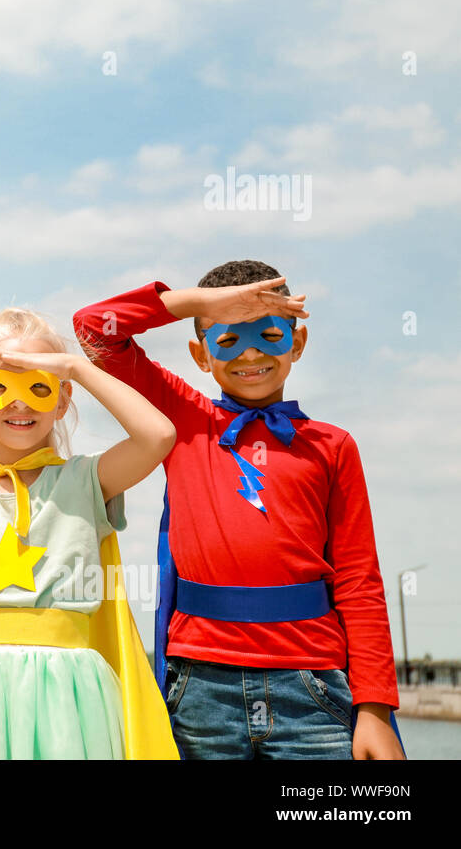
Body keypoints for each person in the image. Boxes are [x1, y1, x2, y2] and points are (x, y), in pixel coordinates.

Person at [73, 261, 403, 759]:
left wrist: (375, 708)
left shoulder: (334, 447)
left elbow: (359, 579)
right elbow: (95, 329)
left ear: (297, 343)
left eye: (268, 335)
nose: (250, 354)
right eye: (227, 339)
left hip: (312, 690)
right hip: (200, 691)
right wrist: (200, 304)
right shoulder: (183, 417)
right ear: (200, 355)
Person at [0, 308, 177, 759]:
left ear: (62, 400)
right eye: (0, 387)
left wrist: (76, 368)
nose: (20, 403)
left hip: (70, 695)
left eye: (39, 386)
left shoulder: (86, 480)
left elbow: (158, 435)